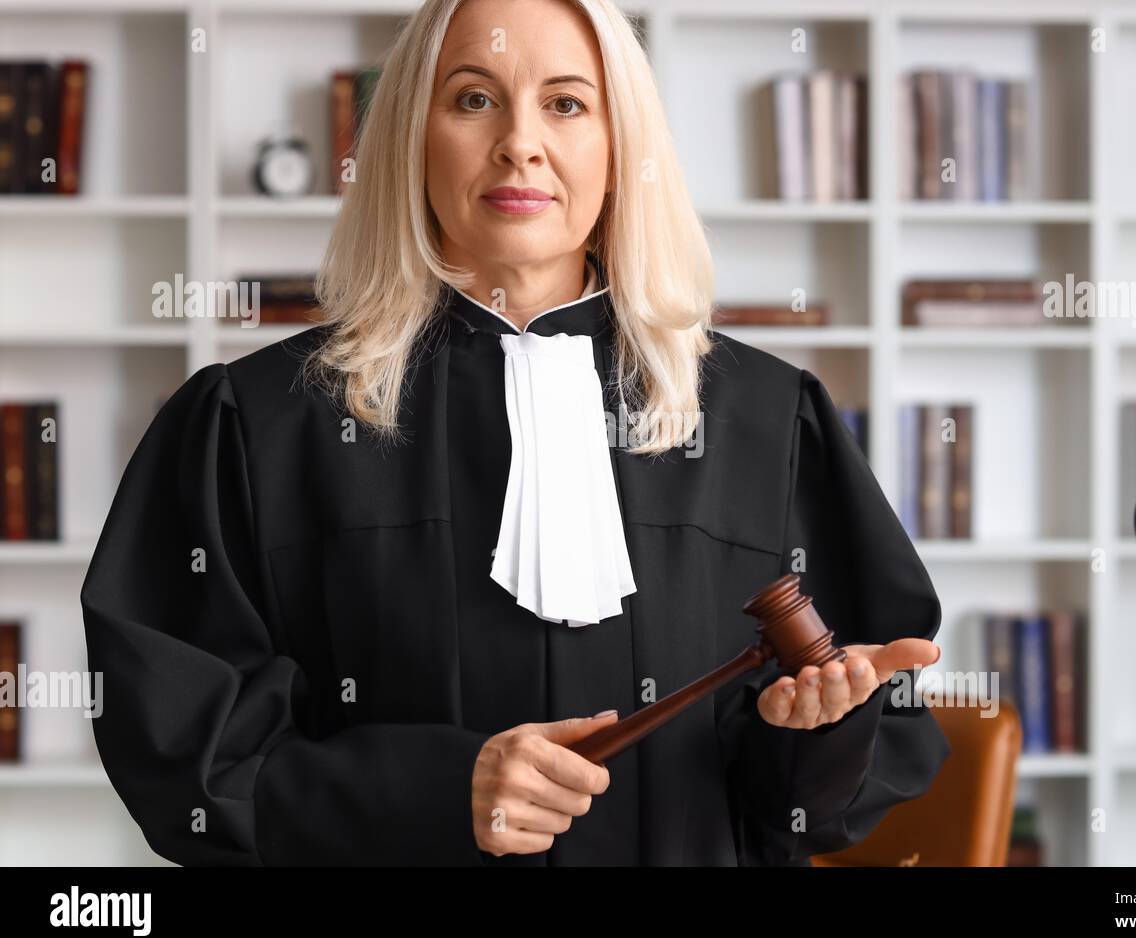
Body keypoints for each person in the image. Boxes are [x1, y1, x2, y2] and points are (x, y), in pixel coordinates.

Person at [80, 0, 948, 867]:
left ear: (621, 151)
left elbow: (820, 790)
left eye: (567, 104)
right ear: (410, 140)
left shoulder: (766, 418)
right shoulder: (261, 422)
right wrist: (428, 794)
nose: (520, 144)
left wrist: (816, 733)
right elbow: (189, 759)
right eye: (472, 100)